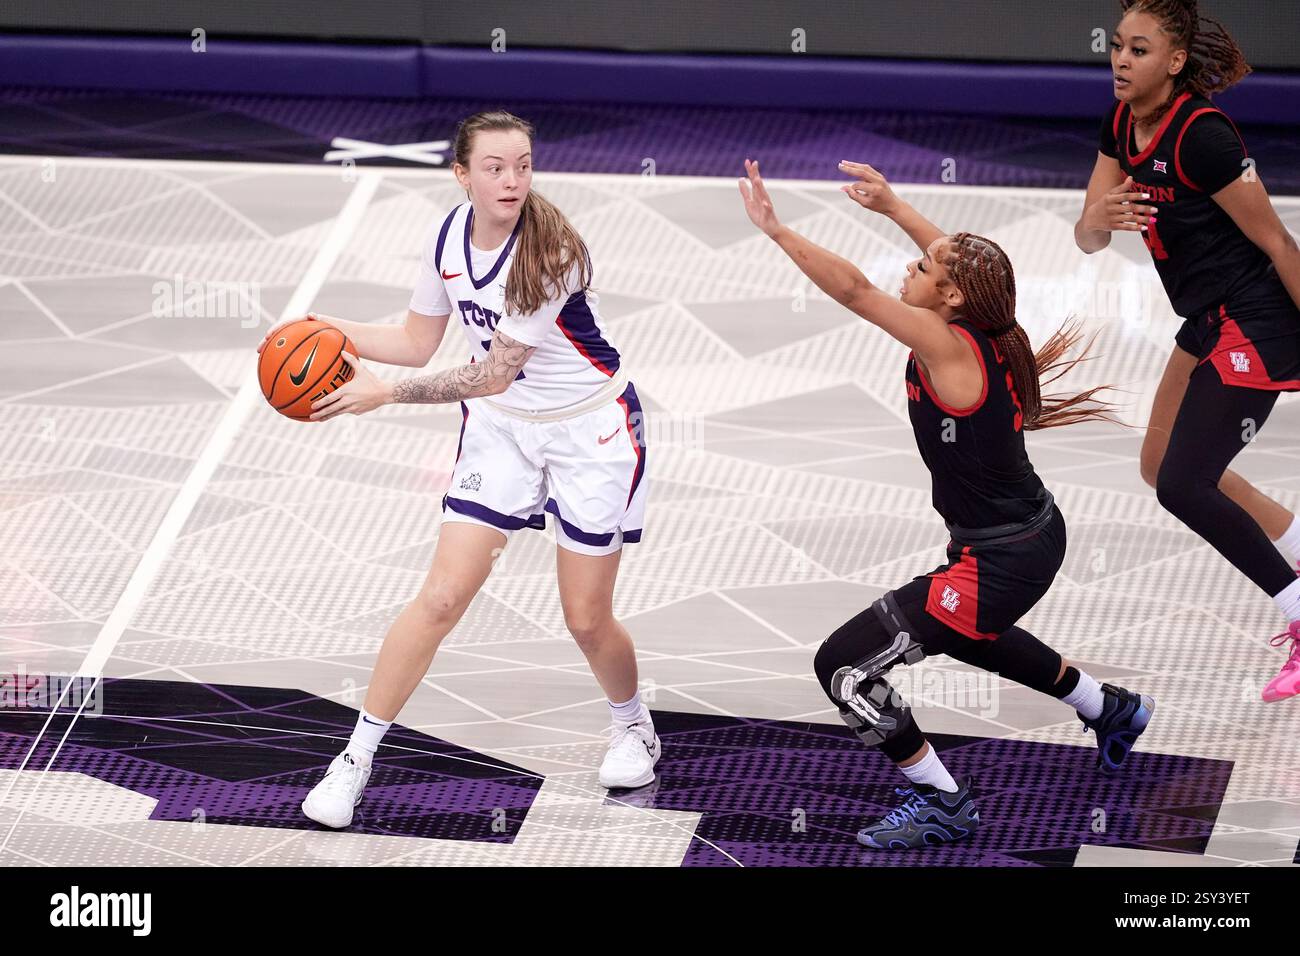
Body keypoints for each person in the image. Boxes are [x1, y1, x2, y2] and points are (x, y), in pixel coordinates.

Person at [739, 157, 1155, 849]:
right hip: (1017, 537)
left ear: (952, 297)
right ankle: (1108, 707)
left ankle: (943, 801)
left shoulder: (947, 344)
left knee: (842, 667)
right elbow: (955, 264)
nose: (913, 265)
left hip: (1003, 557)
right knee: (971, 634)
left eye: (927, 267)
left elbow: (855, 290)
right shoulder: (990, 322)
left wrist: (779, 231)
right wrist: (895, 206)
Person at [256, 111, 656, 829]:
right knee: (441, 598)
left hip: (590, 429)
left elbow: (496, 372)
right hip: (502, 433)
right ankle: (353, 761)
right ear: (462, 173)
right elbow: (415, 341)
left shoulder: (552, 250)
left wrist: (385, 394)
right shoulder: (448, 235)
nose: (512, 180)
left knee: (586, 618)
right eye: (496, 167)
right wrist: (327, 330)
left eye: (524, 165)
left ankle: (633, 727)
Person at [1075, 0, 1300, 702]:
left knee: (1183, 483)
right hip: (1203, 320)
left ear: (1174, 63)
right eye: (1116, 46)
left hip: (1254, 319)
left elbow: (1276, 242)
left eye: (1138, 50)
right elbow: (1087, 237)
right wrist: (1099, 217)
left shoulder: (1203, 135)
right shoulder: (1118, 122)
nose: (1120, 60)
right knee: (1159, 464)